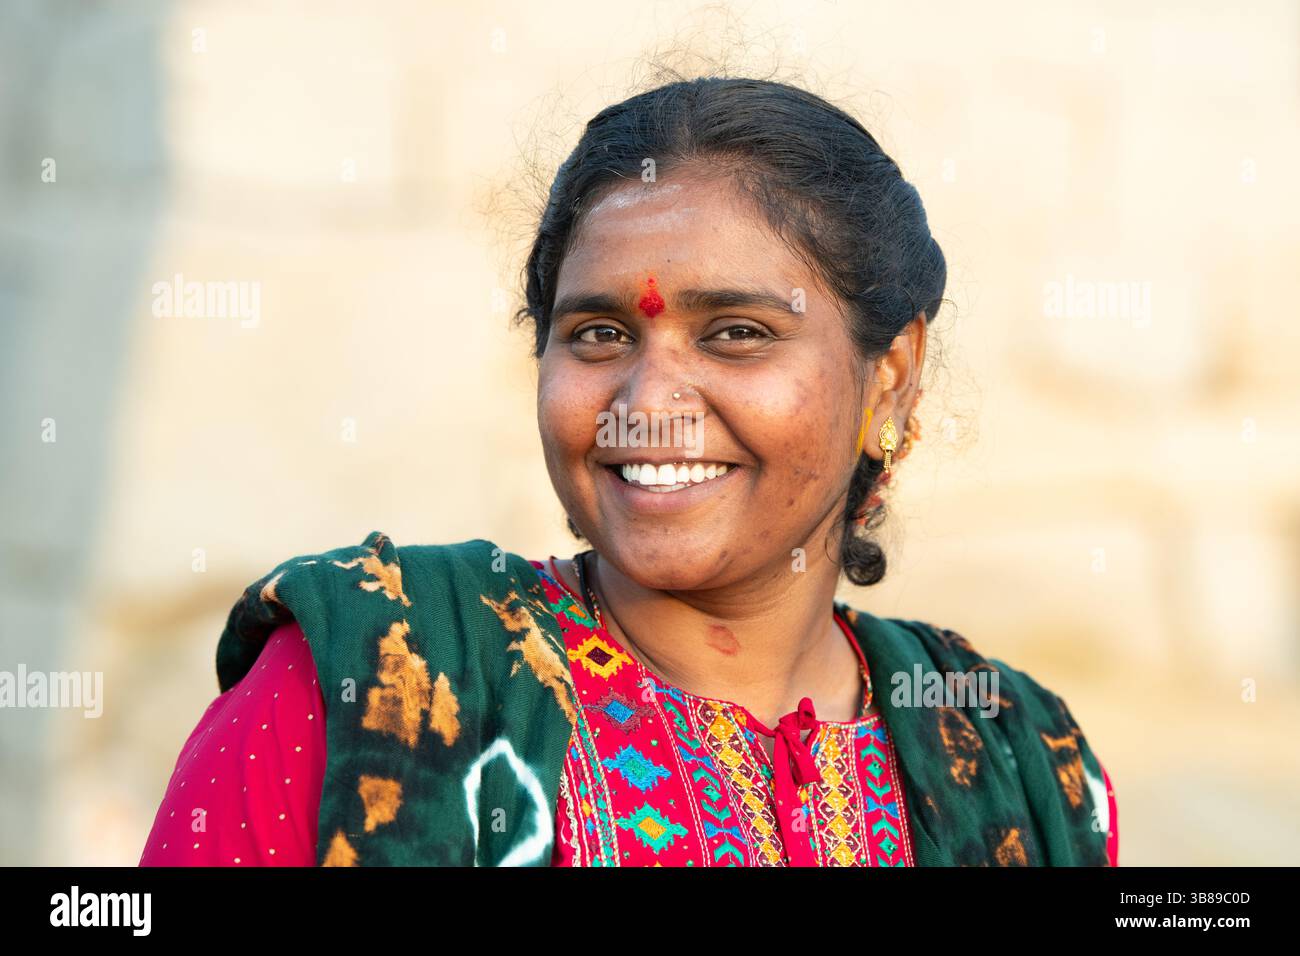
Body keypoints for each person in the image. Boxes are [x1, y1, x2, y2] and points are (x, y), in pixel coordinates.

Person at [141, 75, 1118, 867]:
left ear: (890, 378)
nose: (647, 403)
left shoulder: (1018, 756)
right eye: (599, 332)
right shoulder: (369, 679)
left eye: (736, 332)